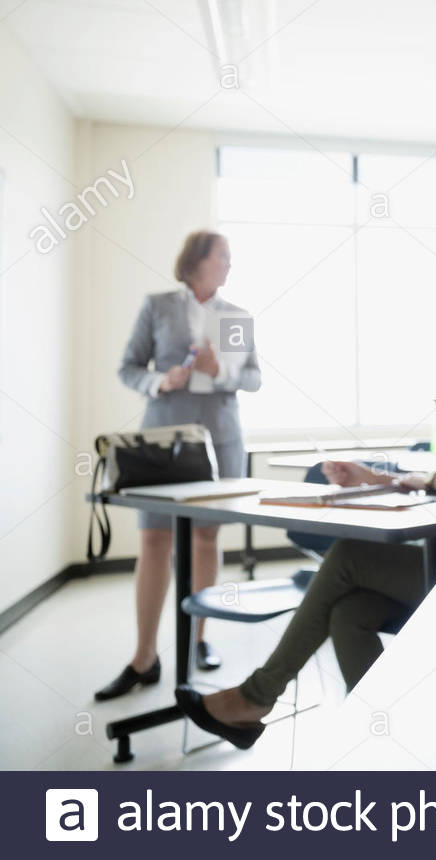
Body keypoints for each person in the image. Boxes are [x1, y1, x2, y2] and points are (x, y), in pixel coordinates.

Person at [175, 307, 436, 748]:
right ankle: (390, 738)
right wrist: (375, 478)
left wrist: (425, 481)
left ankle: (257, 697)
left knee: (351, 555)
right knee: (349, 614)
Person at [96, 231, 260, 701]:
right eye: (222, 257)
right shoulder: (158, 306)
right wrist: (159, 380)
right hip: (164, 441)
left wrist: (219, 371)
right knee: (154, 538)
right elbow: (128, 367)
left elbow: (252, 378)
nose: (229, 264)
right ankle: (144, 657)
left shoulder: (235, 318)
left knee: (207, 536)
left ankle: (199, 639)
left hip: (220, 439)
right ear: (196, 262)